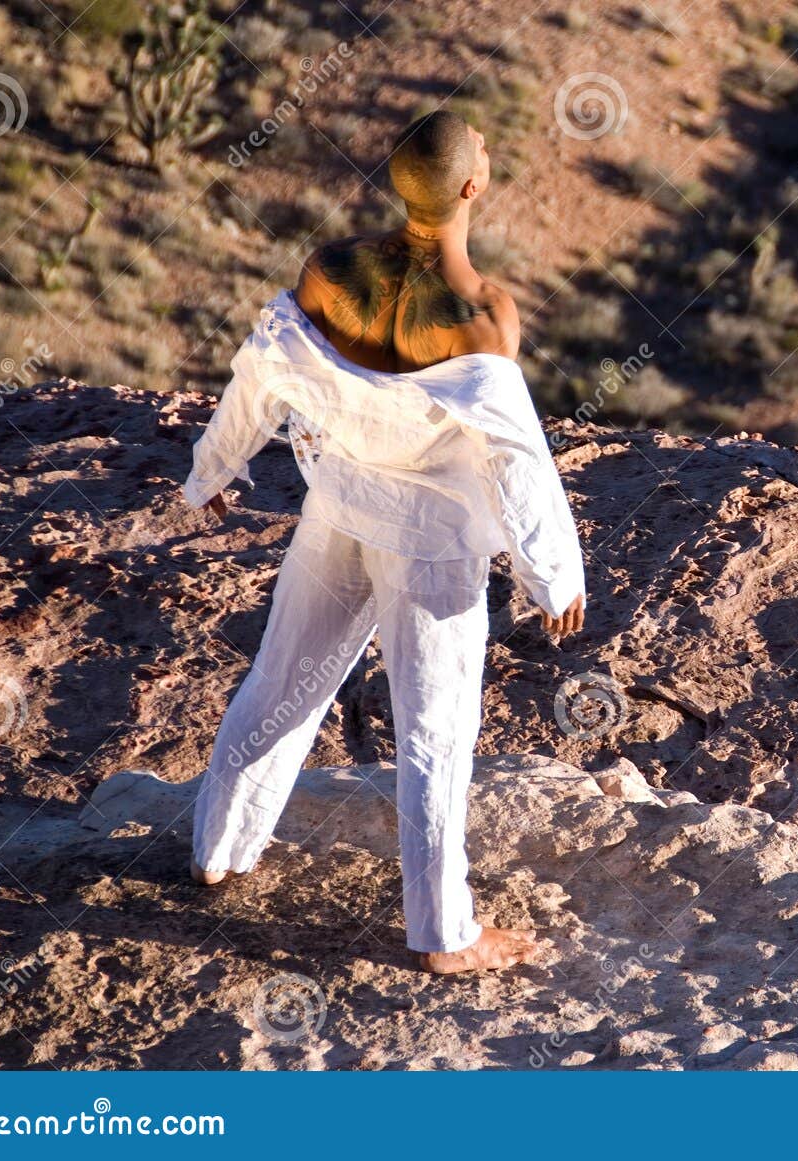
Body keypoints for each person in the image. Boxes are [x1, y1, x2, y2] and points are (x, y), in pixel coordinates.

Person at [180, 111, 585, 974]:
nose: (485, 140)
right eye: (481, 140)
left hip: (337, 506)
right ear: (473, 185)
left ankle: (219, 847)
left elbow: (264, 365)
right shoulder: (483, 315)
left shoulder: (330, 271)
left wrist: (214, 467)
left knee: (281, 677)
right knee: (436, 731)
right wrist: (552, 571)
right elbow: (514, 451)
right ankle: (445, 934)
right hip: (430, 544)